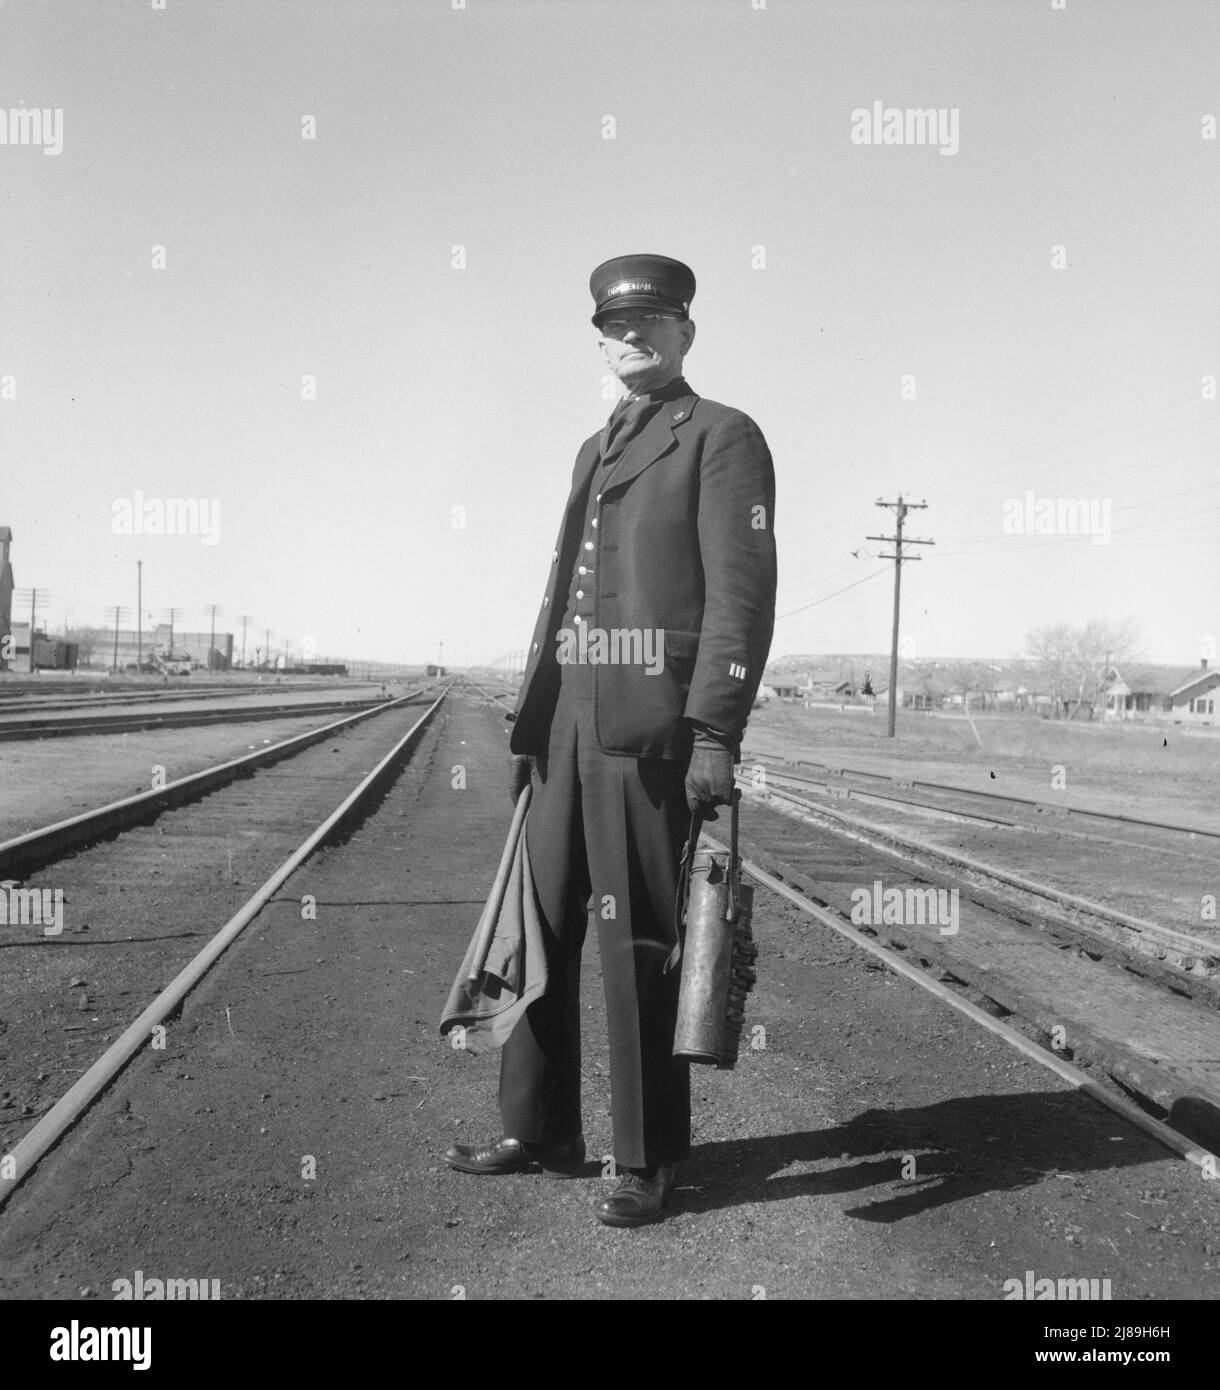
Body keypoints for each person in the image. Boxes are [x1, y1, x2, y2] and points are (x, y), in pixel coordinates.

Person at [444, 254, 777, 1227]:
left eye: (650, 325)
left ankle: (645, 1156)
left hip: (648, 731)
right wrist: (531, 715)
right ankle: (537, 1127)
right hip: (564, 725)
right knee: (537, 925)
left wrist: (714, 728)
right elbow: (564, 593)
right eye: (614, 329)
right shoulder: (591, 448)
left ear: (684, 335)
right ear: (597, 340)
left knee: (633, 939)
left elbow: (739, 597)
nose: (630, 340)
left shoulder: (720, 435)